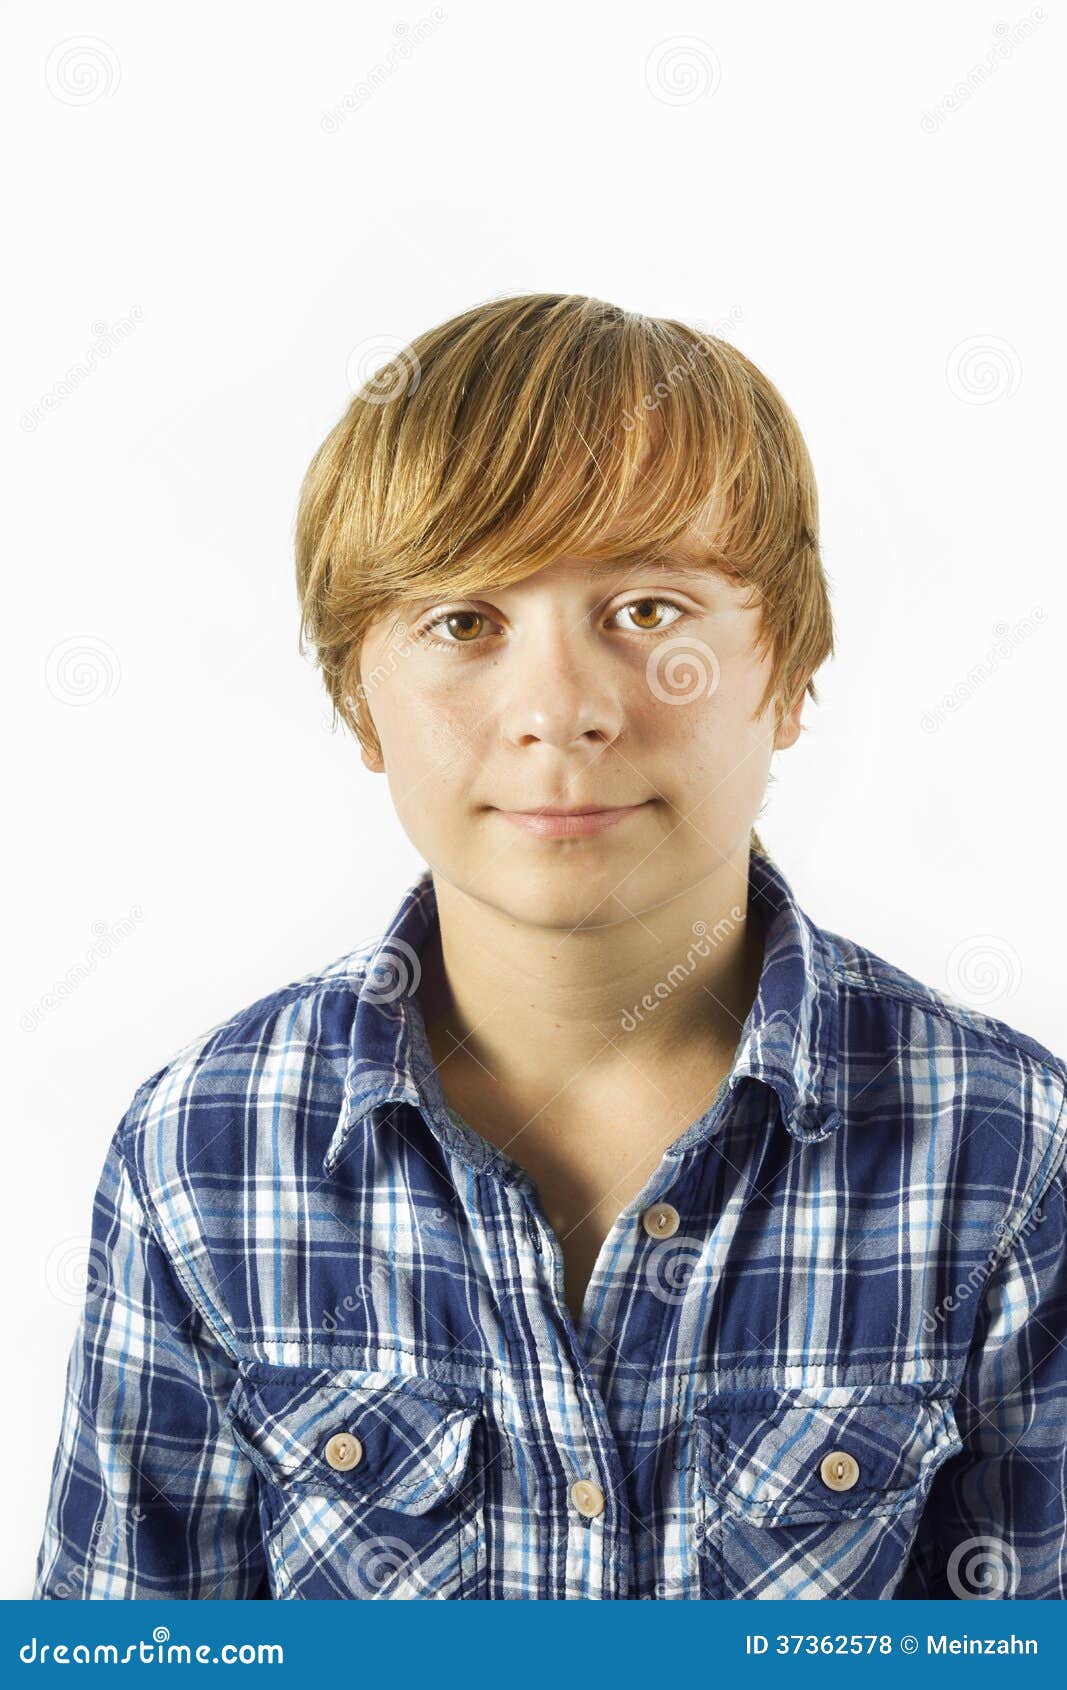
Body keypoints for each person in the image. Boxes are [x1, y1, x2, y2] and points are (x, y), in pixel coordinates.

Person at [33, 293, 1067, 1601]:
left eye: (647, 610)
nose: (561, 709)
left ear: (790, 670)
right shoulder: (203, 1149)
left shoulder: (1011, 1145)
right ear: (361, 698)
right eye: (464, 621)